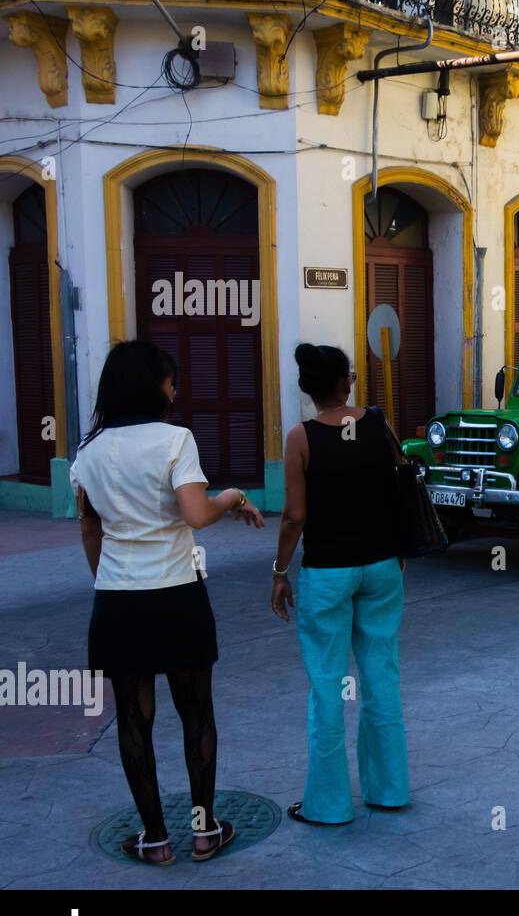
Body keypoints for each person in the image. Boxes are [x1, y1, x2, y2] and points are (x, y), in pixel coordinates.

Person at [70, 340, 264, 865]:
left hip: (118, 601)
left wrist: (108, 582)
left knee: (134, 721)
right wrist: (234, 497)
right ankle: (204, 833)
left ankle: (154, 839)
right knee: (196, 713)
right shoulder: (176, 440)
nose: (176, 390)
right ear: (150, 386)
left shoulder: (87, 453)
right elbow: (197, 514)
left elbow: (90, 528)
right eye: (170, 381)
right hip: (177, 592)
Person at [272, 343, 409, 827]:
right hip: (381, 565)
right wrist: (398, 550)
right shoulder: (377, 424)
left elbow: (295, 515)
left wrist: (279, 571)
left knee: (327, 687)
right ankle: (389, 790)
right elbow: (398, 491)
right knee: (381, 677)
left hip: (328, 572)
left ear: (307, 388)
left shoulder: (300, 438)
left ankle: (328, 806)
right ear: (346, 383)